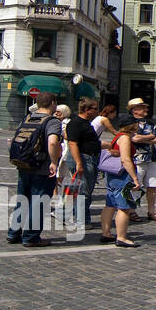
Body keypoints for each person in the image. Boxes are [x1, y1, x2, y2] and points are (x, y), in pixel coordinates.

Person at [7, 91, 63, 247]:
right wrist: (53, 162)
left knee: (22, 201)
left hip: (24, 165)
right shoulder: (52, 121)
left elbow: (13, 140)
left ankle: (13, 234)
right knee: (38, 202)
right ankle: (31, 237)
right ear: (53, 103)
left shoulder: (27, 117)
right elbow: (52, 142)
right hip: (42, 168)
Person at [98, 122, 144, 247]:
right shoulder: (124, 138)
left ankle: (106, 233)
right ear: (132, 125)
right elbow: (125, 159)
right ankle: (121, 237)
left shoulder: (117, 136)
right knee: (123, 207)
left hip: (112, 174)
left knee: (110, 205)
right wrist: (135, 178)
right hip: (122, 174)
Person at [66, 98, 104, 233]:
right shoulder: (76, 123)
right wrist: (78, 163)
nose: (97, 111)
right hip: (83, 159)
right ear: (86, 109)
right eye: (95, 108)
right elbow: (72, 143)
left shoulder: (85, 123)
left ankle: (80, 218)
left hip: (89, 158)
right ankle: (81, 221)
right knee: (84, 191)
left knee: (84, 190)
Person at [127, 98, 156, 223]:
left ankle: (151, 211)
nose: (146, 109)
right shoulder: (129, 123)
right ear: (135, 110)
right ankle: (131, 211)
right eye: (142, 107)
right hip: (136, 158)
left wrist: (145, 139)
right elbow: (135, 139)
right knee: (135, 185)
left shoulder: (150, 123)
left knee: (152, 185)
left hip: (152, 158)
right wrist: (151, 136)